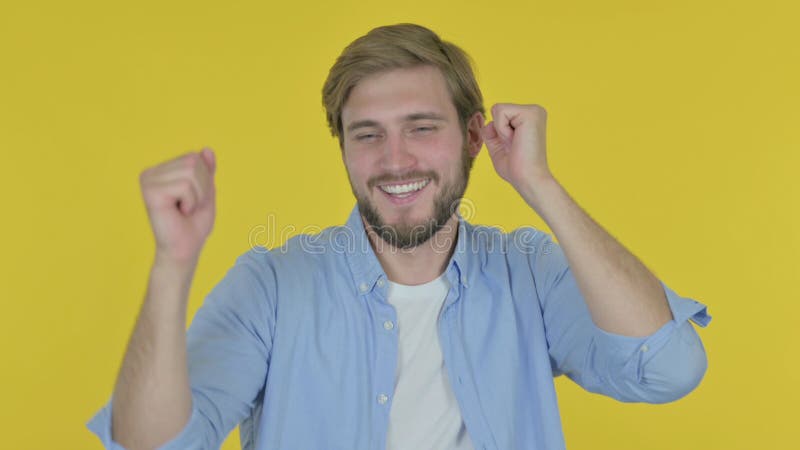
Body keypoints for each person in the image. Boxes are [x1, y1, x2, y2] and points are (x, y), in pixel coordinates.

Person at [87, 23, 712, 450]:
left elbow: (668, 368)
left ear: (473, 138)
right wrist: (171, 264)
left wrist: (539, 184)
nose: (395, 159)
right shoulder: (274, 285)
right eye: (367, 134)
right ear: (343, 149)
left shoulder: (531, 271)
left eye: (421, 127)